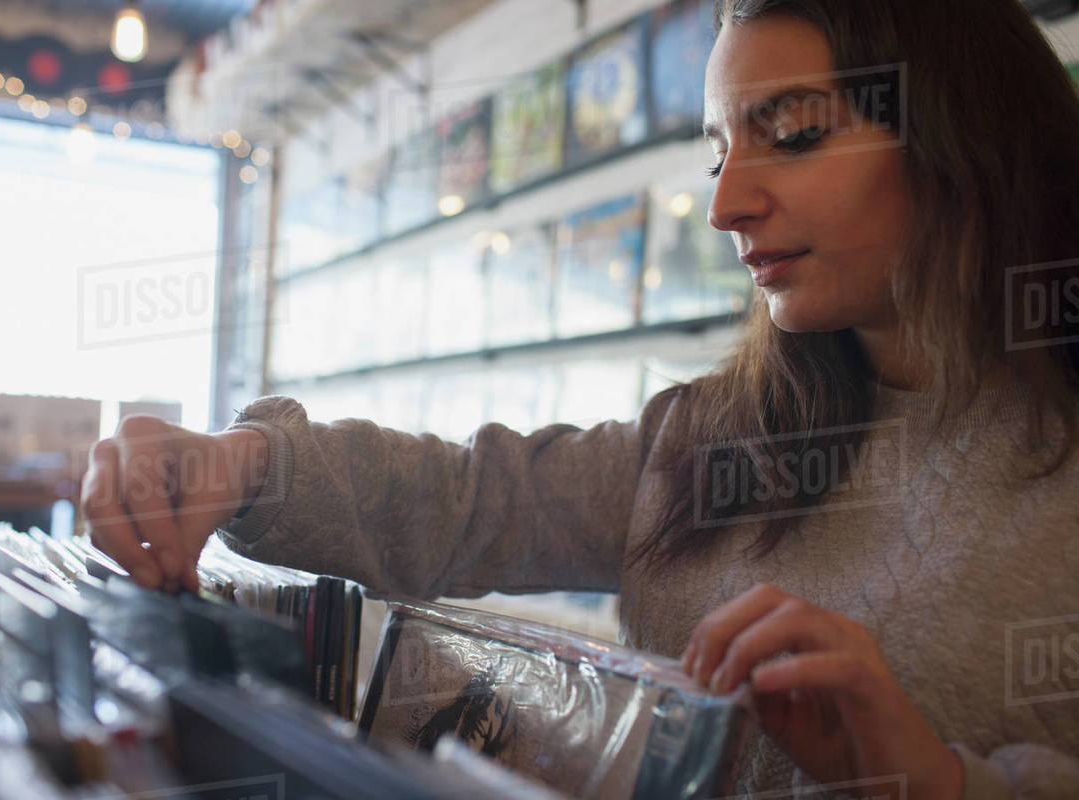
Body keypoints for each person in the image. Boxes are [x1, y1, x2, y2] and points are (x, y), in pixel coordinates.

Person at [81, 0, 1079, 796]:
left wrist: (937, 779)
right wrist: (240, 464)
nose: (728, 204)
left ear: (961, 135)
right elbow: (475, 493)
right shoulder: (702, 435)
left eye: (797, 132)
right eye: (719, 150)